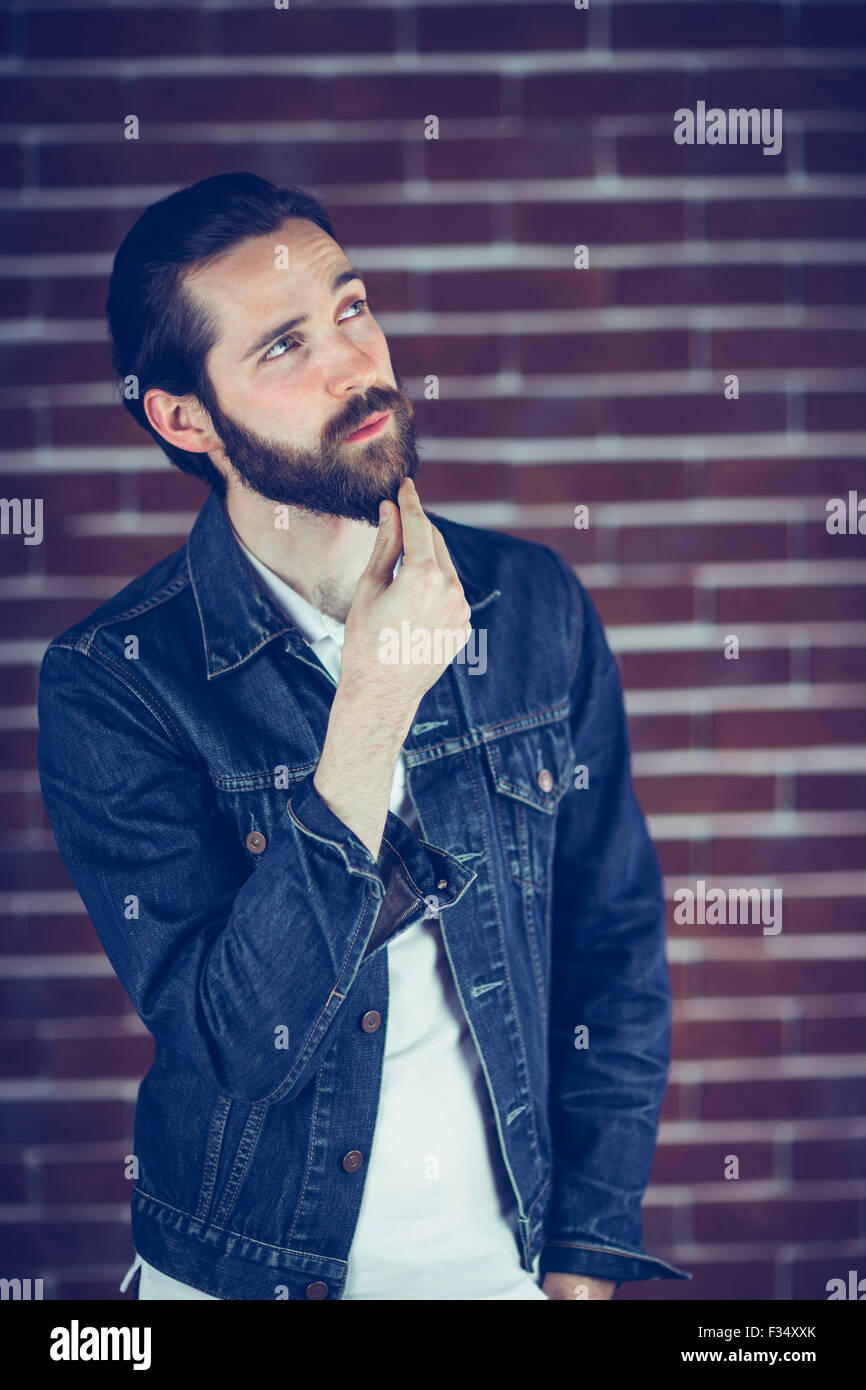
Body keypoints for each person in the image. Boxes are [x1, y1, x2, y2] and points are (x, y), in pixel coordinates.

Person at [38, 173, 691, 1301]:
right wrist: (374, 706)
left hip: (509, 1270)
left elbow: (614, 942)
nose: (356, 363)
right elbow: (242, 1044)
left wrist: (588, 1249)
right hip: (239, 1278)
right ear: (185, 418)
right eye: (284, 345)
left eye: (350, 308)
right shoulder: (114, 684)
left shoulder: (530, 604)